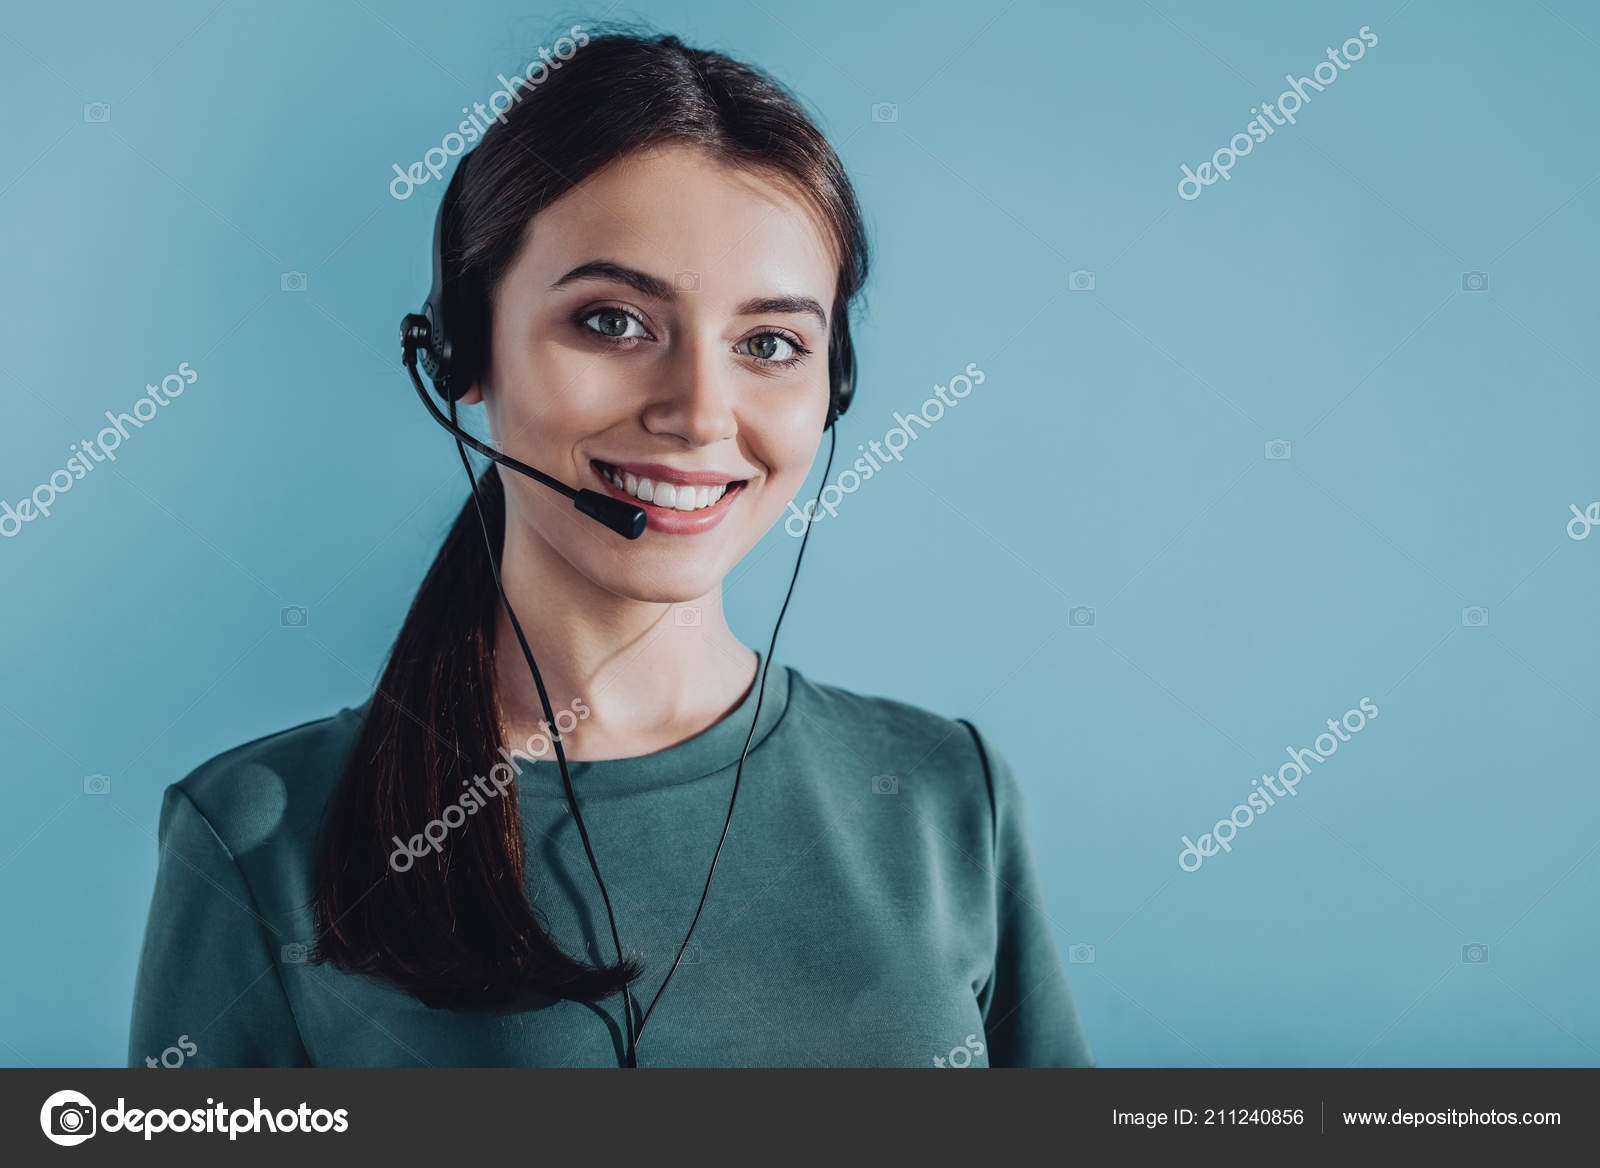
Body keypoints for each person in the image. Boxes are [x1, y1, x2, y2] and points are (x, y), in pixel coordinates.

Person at [128, 29, 1093, 1069]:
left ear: (835, 385)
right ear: (463, 347)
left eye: (770, 343)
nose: (699, 413)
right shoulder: (257, 836)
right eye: (613, 322)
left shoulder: (948, 793)